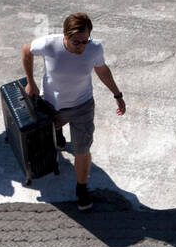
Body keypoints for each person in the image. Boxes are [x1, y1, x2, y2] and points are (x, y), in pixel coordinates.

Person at [21, 14, 126, 210]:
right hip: (52, 106)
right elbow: (26, 51)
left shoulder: (94, 48)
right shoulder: (49, 45)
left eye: (84, 41)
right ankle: (59, 134)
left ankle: (82, 188)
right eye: (76, 42)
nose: (81, 47)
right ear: (65, 35)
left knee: (82, 150)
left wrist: (117, 95)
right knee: (49, 143)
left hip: (82, 106)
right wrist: (30, 81)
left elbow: (102, 70)